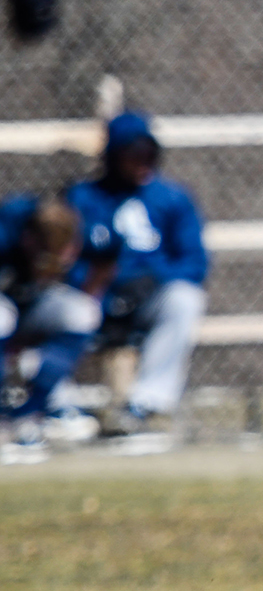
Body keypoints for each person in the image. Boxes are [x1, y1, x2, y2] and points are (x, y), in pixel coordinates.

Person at [66, 111, 210, 438]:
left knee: (185, 299)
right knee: (54, 309)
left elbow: (195, 262)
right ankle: (55, 408)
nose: (142, 162)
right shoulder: (82, 198)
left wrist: (154, 278)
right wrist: (101, 283)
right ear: (113, 156)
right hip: (95, 298)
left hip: (148, 299)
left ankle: (146, 404)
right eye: (132, 155)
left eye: (149, 154)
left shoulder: (172, 197)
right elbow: (66, 262)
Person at [1, 194, 115, 464]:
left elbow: (108, 257)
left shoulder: (87, 227)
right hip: (6, 304)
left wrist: (88, 288)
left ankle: (31, 413)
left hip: (39, 304)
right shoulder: (8, 227)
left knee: (82, 312)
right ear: (29, 238)